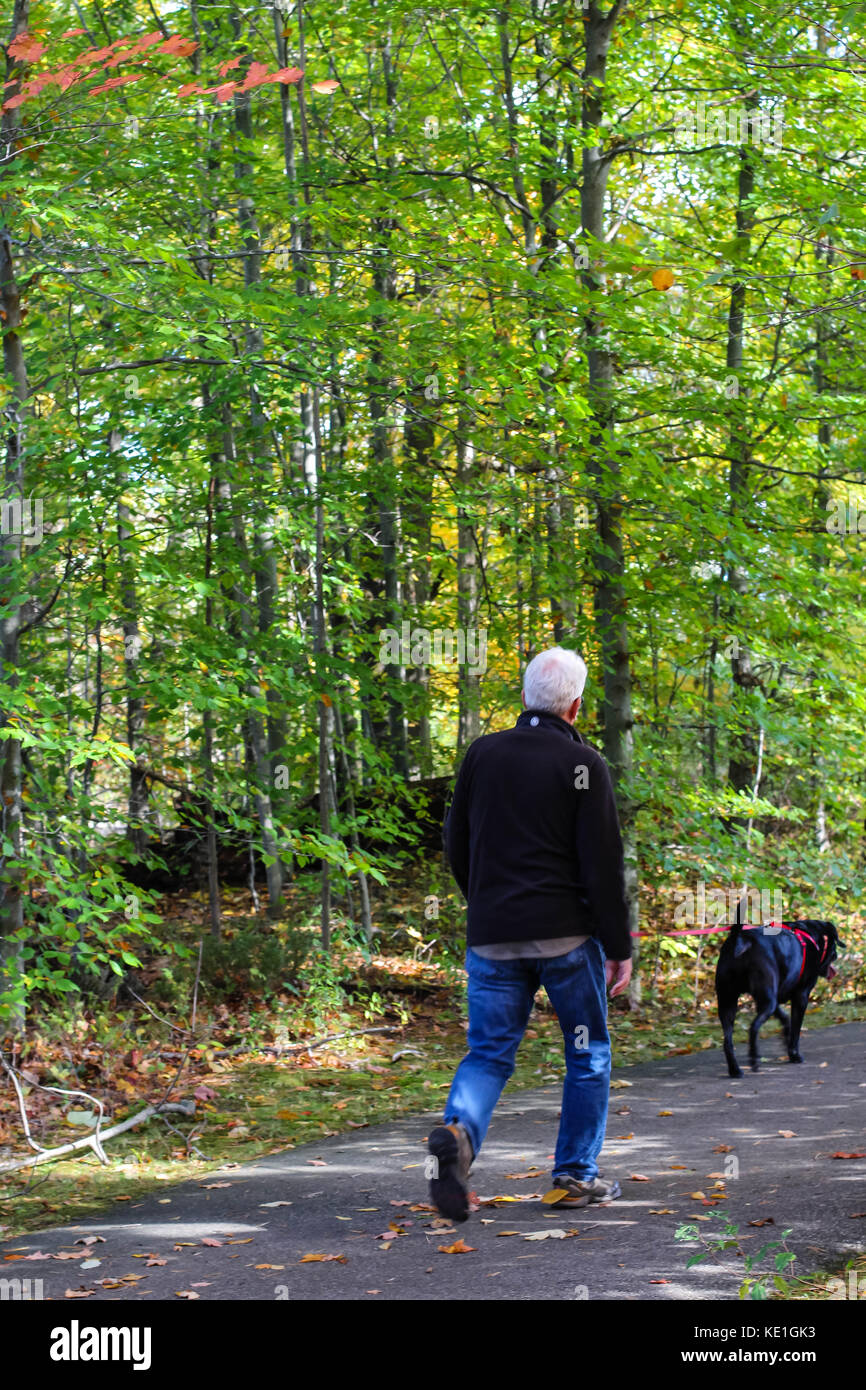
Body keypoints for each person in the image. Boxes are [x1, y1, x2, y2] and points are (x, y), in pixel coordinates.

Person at [427, 646, 633, 1222]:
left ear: (525, 697)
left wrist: (487, 903)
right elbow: (602, 864)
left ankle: (459, 1137)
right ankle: (573, 1177)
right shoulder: (584, 764)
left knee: (489, 1053)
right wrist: (619, 947)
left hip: (492, 936)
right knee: (587, 1055)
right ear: (575, 705)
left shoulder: (482, 755)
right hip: (566, 940)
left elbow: (456, 843)